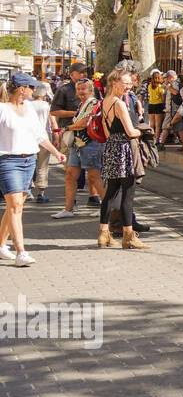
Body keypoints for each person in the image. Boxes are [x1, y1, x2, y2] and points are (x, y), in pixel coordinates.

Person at [0, 72, 66, 266]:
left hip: (29, 161)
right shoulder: (3, 110)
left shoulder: (29, 109)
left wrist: (56, 152)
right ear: (22, 89)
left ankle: (1, 245)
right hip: (8, 161)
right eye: (31, 87)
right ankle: (21, 252)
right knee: (15, 206)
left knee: (16, 205)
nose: (33, 90)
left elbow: (39, 135)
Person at [97, 68, 148, 251]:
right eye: (125, 83)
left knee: (111, 192)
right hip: (125, 149)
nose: (129, 86)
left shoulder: (105, 102)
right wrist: (142, 130)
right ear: (114, 82)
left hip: (111, 147)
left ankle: (103, 233)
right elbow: (130, 131)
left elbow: (106, 130)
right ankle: (129, 237)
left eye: (129, 83)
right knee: (128, 193)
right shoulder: (119, 104)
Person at [53, 78, 105, 219]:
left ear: (90, 90)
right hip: (78, 143)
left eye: (83, 89)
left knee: (94, 176)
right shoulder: (82, 104)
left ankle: (109, 209)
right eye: (78, 89)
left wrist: (66, 128)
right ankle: (68, 209)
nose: (80, 92)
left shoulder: (94, 103)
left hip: (90, 143)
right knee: (70, 175)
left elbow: (84, 123)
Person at [29, 82, 54, 203]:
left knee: (30, 163)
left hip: (30, 137)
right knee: (43, 165)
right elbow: (51, 124)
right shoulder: (46, 105)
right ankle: (41, 192)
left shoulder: (28, 105)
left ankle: (28, 189)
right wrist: (55, 137)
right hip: (44, 137)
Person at [146, 70, 166, 141]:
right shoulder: (160, 87)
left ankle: (151, 138)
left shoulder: (149, 86)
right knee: (158, 125)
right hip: (158, 105)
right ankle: (156, 139)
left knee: (151, 124)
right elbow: (163, 98)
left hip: (151, 105)